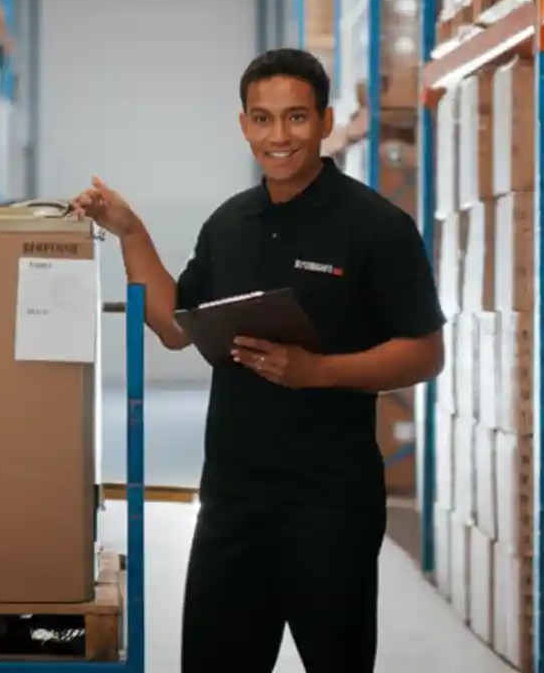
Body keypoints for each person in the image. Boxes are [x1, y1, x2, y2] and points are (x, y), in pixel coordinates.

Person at [70, 47, 446, 672]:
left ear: (326, 122)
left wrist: (316, 372)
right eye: (264, 119)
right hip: (232, 500)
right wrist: (130, 233)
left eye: (297, 118)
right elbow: (172, 327)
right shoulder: (230, 224)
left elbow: (425, 353)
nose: (280, 136)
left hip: (330, 504)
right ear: (243, 124)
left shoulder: (376, 227)